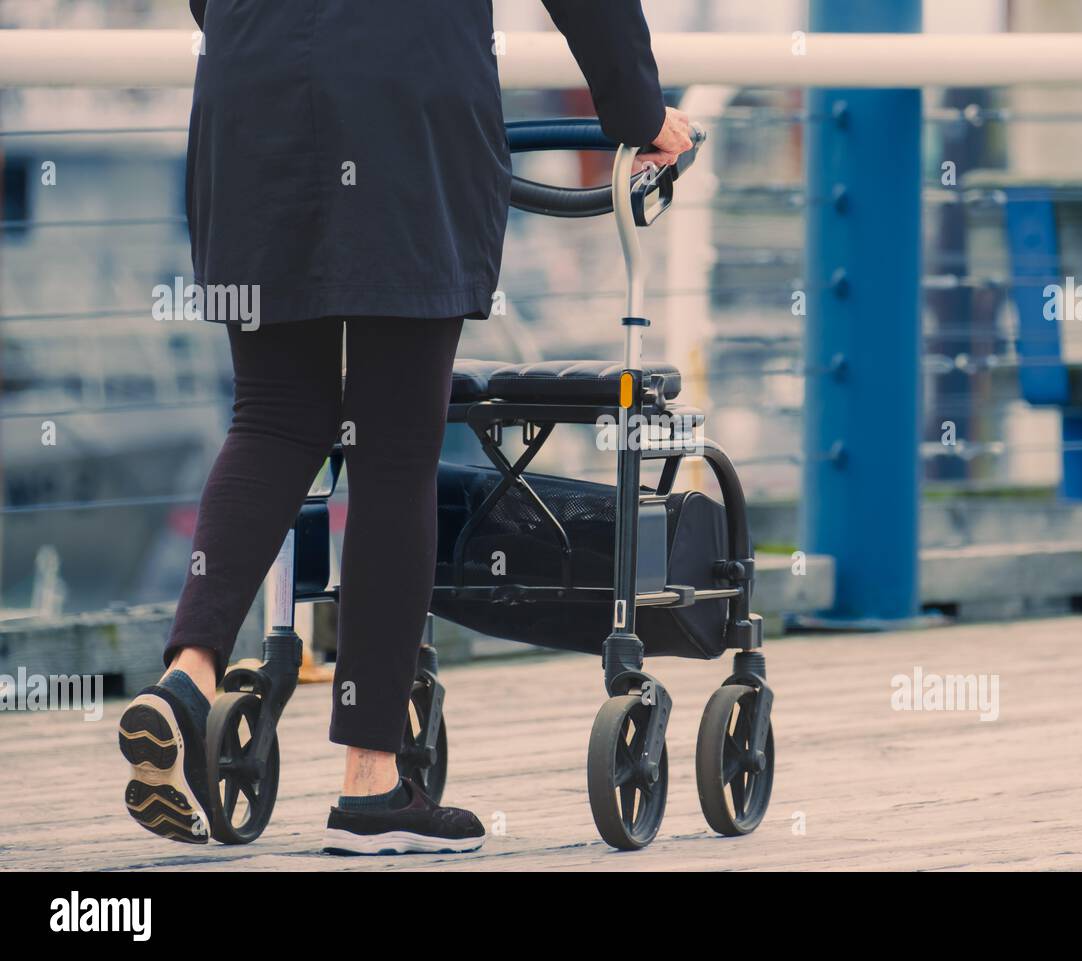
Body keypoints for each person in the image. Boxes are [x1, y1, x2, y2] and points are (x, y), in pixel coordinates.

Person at [118, 0, 694, 855]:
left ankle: (187, 675)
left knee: (273, 413)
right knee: (394, 446)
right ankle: (370, 779)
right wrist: (639, 113)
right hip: (400, 103)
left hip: (253, 94)